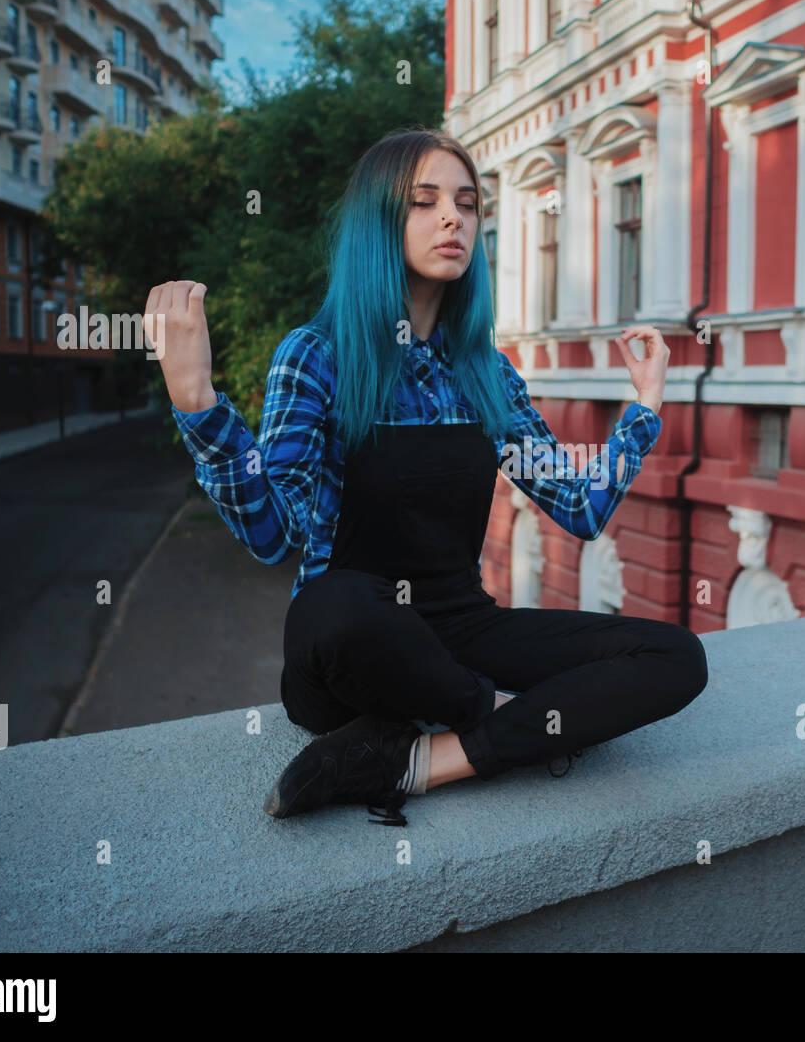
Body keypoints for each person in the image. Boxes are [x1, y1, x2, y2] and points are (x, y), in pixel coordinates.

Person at [146, 126, 708, 826]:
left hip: (460, 630)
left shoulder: (489, 375)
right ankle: (500, 718)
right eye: (424, 201)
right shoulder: (315, 355)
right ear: (381, 221)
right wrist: (198, 404)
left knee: (674, 655)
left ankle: (420, 760)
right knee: (338, 604)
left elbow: (580, 508)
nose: (453, 217)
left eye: (468, 203)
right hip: (353, 647)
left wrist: (644, 407)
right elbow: (273, 534)